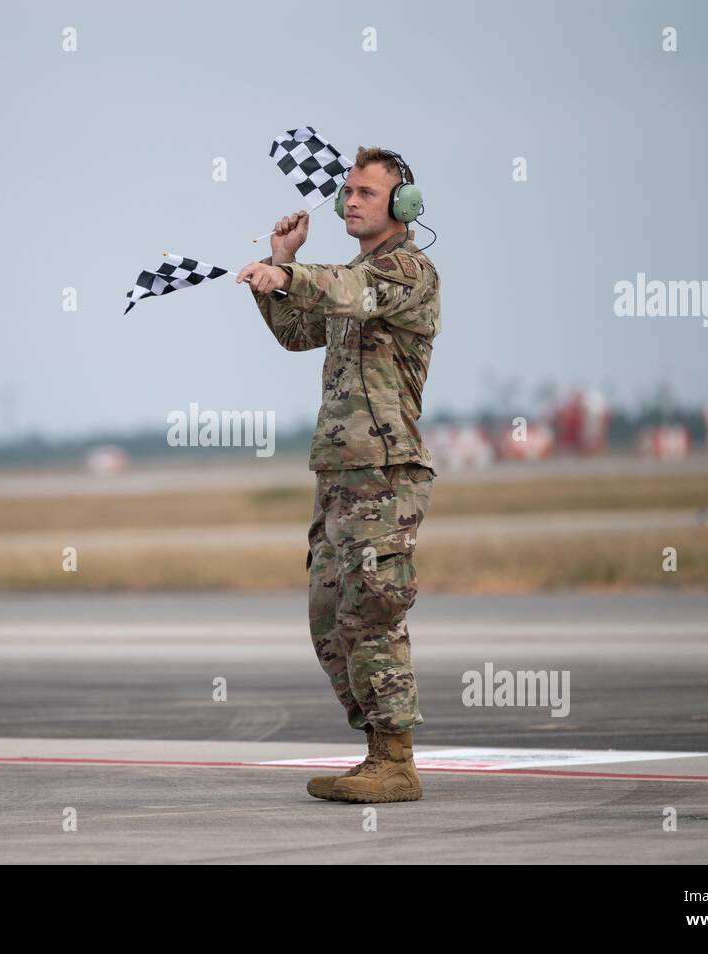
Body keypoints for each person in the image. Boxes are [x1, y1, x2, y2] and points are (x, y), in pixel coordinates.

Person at [235, 146, 440, 803]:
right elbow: (298, 333)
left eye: (366, 193)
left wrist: (293, 277)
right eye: (346, 191)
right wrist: (283, 264)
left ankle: (396, 761)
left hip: (386, 473)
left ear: (401, 205)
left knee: (374, 607)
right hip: (340, 471)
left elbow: (348, 294)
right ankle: (376, 751)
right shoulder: (351, 277)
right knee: (330, 617)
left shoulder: (408, 273)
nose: (349, 201)